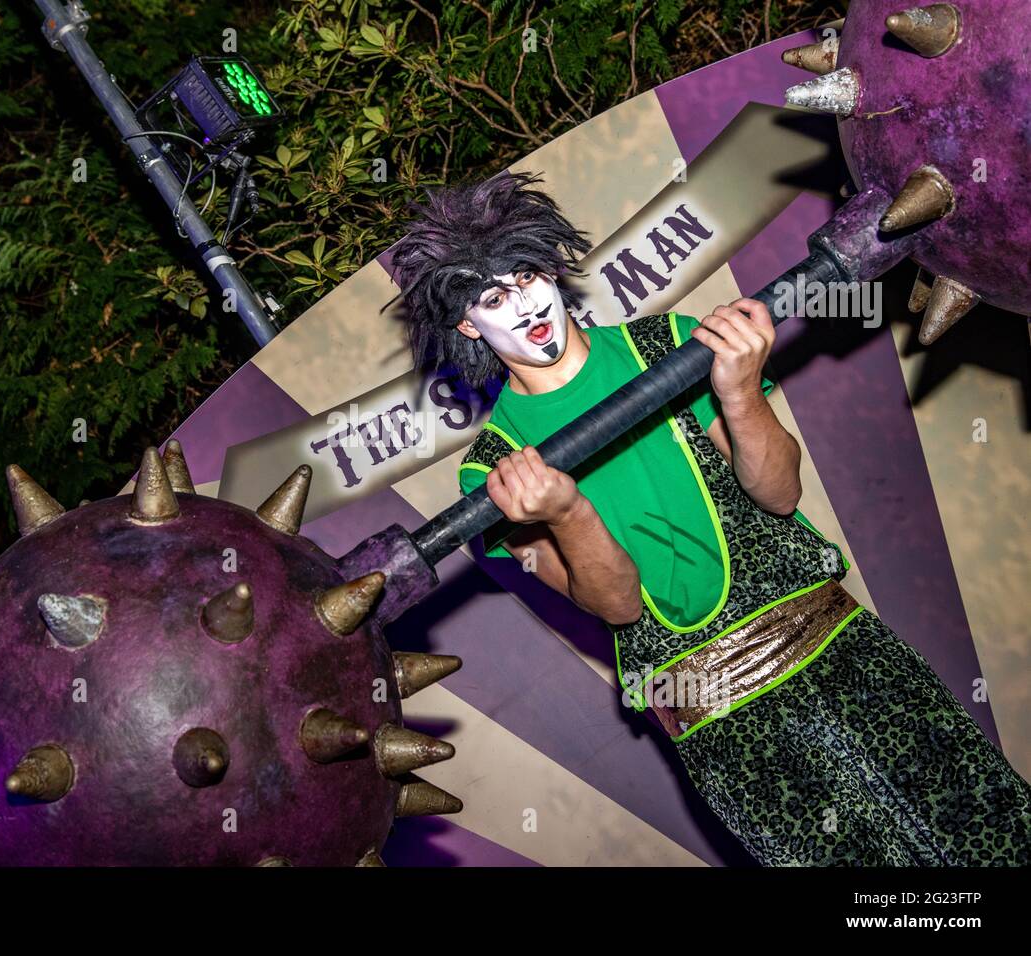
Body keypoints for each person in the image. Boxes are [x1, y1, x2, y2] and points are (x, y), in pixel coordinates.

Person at [391, 170, 1031, 865]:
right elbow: (615, 606)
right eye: (491, 297)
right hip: (729, 731)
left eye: (526, 275)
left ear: (550, 269)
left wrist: (738, 392)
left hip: (845, 657)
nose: (521, 304)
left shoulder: (675, 343)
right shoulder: (493, 471)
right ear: (466, 325)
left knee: (991, 830)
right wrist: (568, 511)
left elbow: (780, 494)